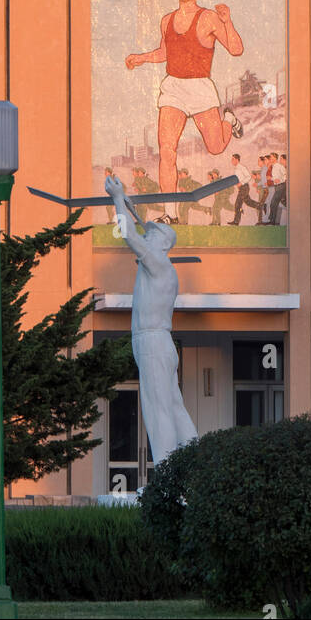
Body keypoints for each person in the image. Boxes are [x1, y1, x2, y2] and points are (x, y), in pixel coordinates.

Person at [125, 0, 244, 221]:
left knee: (215, 147)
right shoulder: (166, 20)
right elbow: (165, 53)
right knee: (167, 149)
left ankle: (228, 120)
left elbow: (236, 49)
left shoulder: (208, 17)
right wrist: (141, 58)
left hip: (200, 88)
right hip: (174, 88)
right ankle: (171, 213)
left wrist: (228, 21)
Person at [104, 173, 197, 465]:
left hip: (153, 342)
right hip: (157, 341)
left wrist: (117, 199)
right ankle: (195, 465)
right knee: (173, 407)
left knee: (158, 411)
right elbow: (136, 234)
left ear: (163, 242)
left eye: (152, 234)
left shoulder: (158, 262)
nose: (147, 235)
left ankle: (167, 477)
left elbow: (129, 236)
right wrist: (128, 206)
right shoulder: (160, 267)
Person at [230, 152, 260, 225]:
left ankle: (236, 222)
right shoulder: (237, 168)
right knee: (248, 202)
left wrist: (241, 183)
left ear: (237, 160)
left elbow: (248, 177)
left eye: (233, 159)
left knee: (237, 204)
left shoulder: (242, 167)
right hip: (242, 188)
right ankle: (261, 206)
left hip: (244, 187)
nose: (231, 161)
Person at [266, 152, 287, 226]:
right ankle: (272, 221)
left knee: (273, 203)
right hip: (277, 186)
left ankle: (272, 221)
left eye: (271, 157)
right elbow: (275, 178)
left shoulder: (279, 166)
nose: (270, 158)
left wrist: (280, 180)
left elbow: (285, 176)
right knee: (275, 203)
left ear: (275, 158)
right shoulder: (273, 166)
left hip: (281, 186)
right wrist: (271, 178)